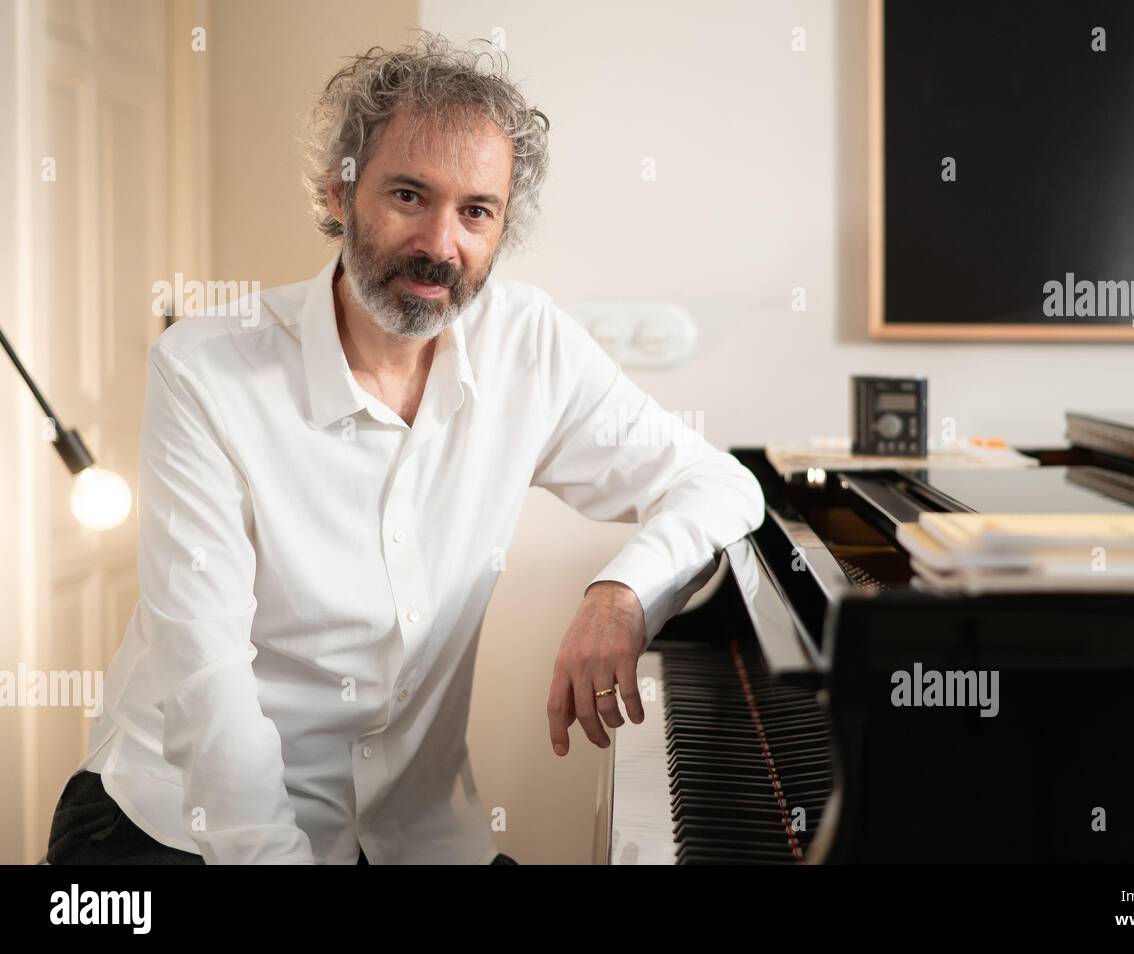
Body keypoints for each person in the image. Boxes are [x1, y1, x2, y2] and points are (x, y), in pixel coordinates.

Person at [46, 31, 763, 865]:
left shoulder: (527, 344)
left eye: (476, 212)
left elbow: (719, 482)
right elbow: (208, 680)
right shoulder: (206, 369)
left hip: (415, 836)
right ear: (338, 192)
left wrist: (622, 594)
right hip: (183, 826)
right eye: (409, 196)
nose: (440, 245)